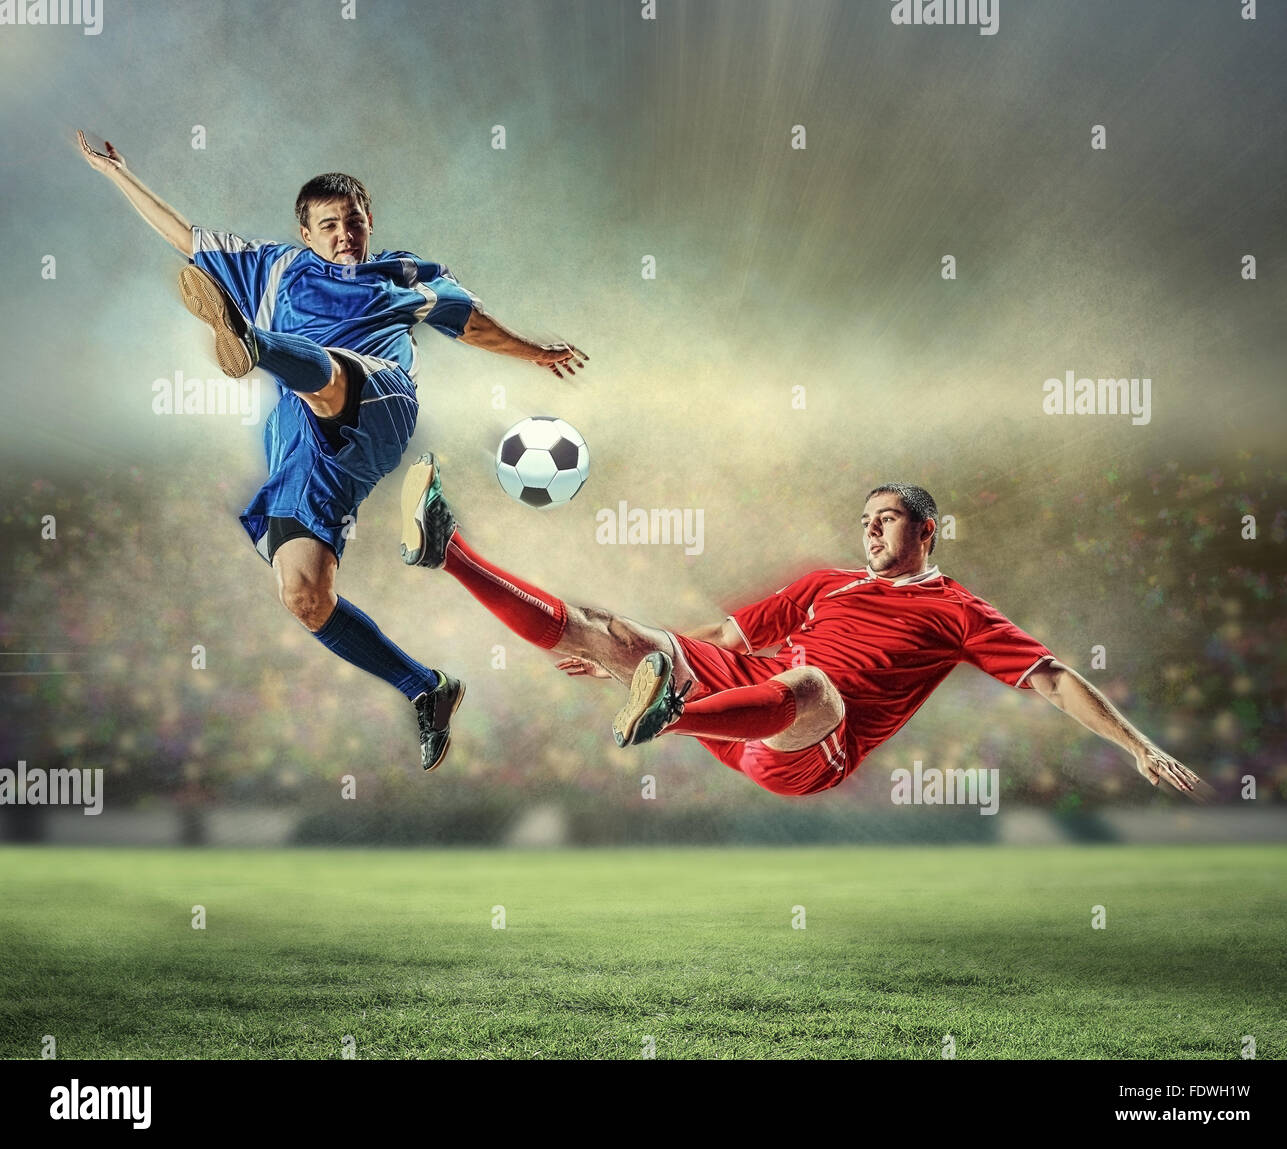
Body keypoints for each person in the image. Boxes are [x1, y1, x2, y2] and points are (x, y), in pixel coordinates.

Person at [79, 132, 586, 771]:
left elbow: (473, 324)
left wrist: (535, 351)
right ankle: (426, 688)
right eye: (329, 225)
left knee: (329, 375)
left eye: (354, 221)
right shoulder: (276, 267)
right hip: (302, 449)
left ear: (369, 222)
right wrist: (117, 171)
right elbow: (184, 235)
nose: (345, 233)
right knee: (304, 596)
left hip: (376, 397)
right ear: (307, 232)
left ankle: (254, 345)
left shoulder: (408, 274)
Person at [401, 463, 1205, 799]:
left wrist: (1137, 746)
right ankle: (452, 552)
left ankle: (665, 712)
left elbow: (1055, 677)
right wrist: (638, 655)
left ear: (928, 531)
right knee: (607, 626)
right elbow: (726, 631)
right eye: (866, 520)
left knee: (812, 683)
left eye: (888, 519)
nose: (872, 531)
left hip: (810, 743)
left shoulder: (956, 609)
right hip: (746, 696)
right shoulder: (826, 583)